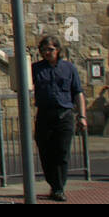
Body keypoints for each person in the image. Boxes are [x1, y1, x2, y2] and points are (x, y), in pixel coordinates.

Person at [31, 34, 86, 202]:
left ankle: (58, 188)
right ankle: (54, 184)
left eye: (50, 49)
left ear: (58, 50)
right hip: (45, 114)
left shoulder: (69, 68)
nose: (47, 53)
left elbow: (78, 92)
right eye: (44, 50)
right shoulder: (35, 68)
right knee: (46, 152)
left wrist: (82, 116)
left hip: (64, 114)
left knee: (62, 152)